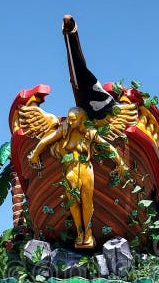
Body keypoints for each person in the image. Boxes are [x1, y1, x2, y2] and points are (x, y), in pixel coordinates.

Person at [27, 106, 127, 249]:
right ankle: (80, 233)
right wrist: (35, 154)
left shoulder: (90, 133)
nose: (70, 121)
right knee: (73, 202)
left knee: (87, 202)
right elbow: (47, 140)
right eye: (69, 119)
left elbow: (107, 147)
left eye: (73, 120)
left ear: (81, 120)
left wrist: (120, 163)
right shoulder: (64, 129)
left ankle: (88, 232)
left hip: (85, 169)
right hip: (70, 169)